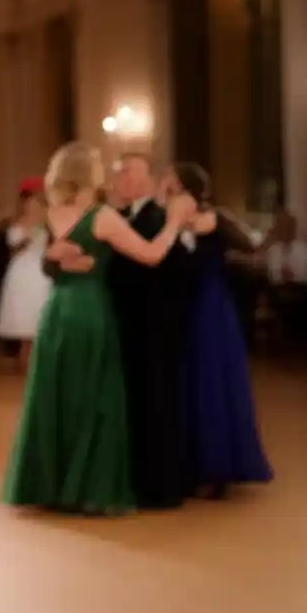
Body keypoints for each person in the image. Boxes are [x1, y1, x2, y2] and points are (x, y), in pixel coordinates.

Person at [1, 142, 194, 515]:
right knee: (93, 398)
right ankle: (86, 488)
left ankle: (50, 486)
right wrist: (172, 224)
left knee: (55, 394)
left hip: (57, 311)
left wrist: (55, 260)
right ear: (90, 174)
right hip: (91, 311)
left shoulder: (53, 214)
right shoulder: (102, 217)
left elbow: (52, 260)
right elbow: (151, 255)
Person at [169, 164, 272, 499]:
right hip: (185, 309)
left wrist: (229, 258)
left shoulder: (211, 218)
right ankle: (194, 464)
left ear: (186, 188)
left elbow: (249, 245)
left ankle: (220, 467)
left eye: (171, 182)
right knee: (190, 382)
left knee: (212, 380)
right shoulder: (171, 218)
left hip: (210, 309)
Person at [107, 153, 196, 509]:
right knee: (138, 403)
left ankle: (159, 485)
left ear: (145, 180)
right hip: (133, 327)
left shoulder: (157, 218)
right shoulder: (127, 217)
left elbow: (171, 276)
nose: (118, 178)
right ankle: (139, 478)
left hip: (152, 329)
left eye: (125, 172)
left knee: (155, 402)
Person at [0, 181, 52, 370]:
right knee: (24, 324)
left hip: (41, 271)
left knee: (40, 322)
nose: (32, 206)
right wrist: (26, 236)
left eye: (36, 203)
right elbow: (13, 247)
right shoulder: (17, 223)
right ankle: (24, 365)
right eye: (29, 203)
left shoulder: (47, 222)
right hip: (22, 271)